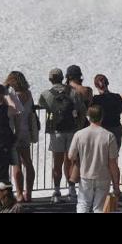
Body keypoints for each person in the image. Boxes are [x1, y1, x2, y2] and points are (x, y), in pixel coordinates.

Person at [37, 68, 86, 204]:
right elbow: (82, 110)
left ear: (50, 79)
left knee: (57, 163)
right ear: (62, 77)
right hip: (72, 131)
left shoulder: (46, 94)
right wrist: (79, 127)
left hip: (56, 132)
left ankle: (57, 191)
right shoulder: (73, 92)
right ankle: (71, 190)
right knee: (71, 161)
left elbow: (42, 104)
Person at [66, 104, 121, 213]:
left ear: (88, 117)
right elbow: (112, 163)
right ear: (102, 117)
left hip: (85, 174)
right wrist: (116, 184)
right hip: (103, 175)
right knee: (99, 207)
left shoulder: (79, 134)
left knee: (83, 204)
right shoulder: (109, 136)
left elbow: (71, 155)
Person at [5, 71, 38, 202]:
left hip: (14, 131)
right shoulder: (28, 94)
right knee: (28, 162)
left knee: (16, 164)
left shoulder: (12, 96)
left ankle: (19, 194)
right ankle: (28, 193)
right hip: (26, 131)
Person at [90, 74, 122, 147]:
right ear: (107, 83)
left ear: (96, 86)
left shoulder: (95, 99)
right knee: (114, 155)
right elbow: (121, 110)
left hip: (102, 129)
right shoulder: (117, 97)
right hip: (116, 128)